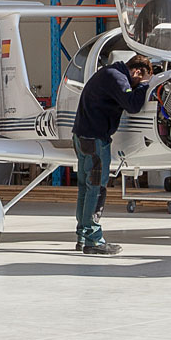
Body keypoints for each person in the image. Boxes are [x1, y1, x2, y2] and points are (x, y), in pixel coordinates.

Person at [71, 53, 152, 254]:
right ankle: (94, 240)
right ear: (136, 72)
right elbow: (132, 105)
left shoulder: (109, 73)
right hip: (95, 141)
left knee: (85, 187)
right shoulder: (117, 77)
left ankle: (83, 235)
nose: (135, 85)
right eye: (138, 80)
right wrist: (144, 86)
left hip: (82, 136)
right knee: (97, 188)